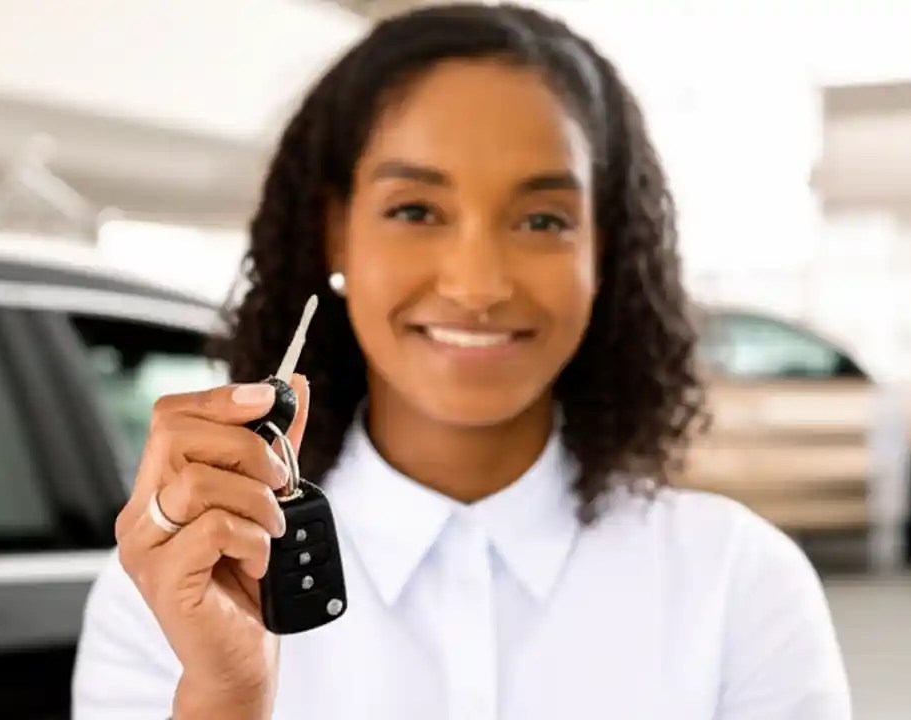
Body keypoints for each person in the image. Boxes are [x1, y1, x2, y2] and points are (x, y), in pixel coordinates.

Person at [71, 4, 851, 718]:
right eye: (415, 210)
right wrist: (224, 695)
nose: (477, 286)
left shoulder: (739, 586)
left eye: (543, 219)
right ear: (333, 231)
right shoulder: (170, 597)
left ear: (605, 250)